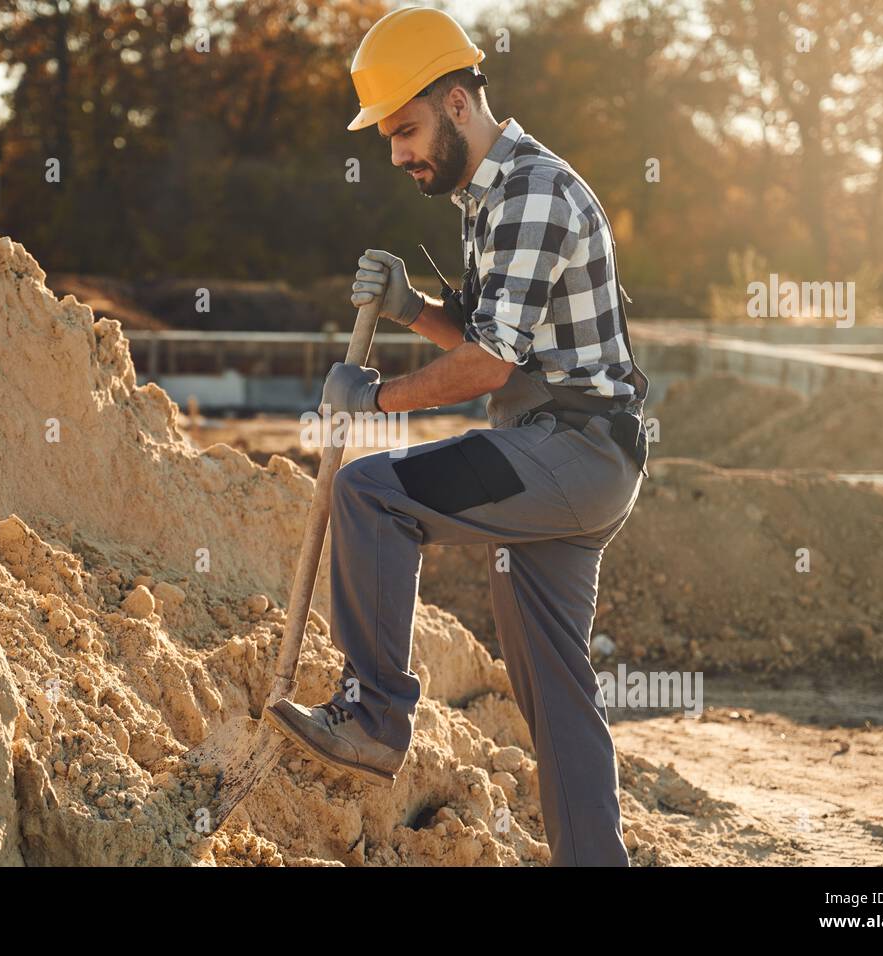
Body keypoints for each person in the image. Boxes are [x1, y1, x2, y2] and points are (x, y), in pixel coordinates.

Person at [262, 5, 650, 867]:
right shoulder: (488, 197)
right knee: (556, 696)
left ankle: (373, 718)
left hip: (574, 451)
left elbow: (486, 369)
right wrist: (413, 310)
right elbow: (491, 347)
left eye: (405, 130)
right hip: (563, 450)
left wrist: (374, 397)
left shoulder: (533, 192)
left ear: (457, 101)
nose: (397, 155)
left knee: (372, 494)